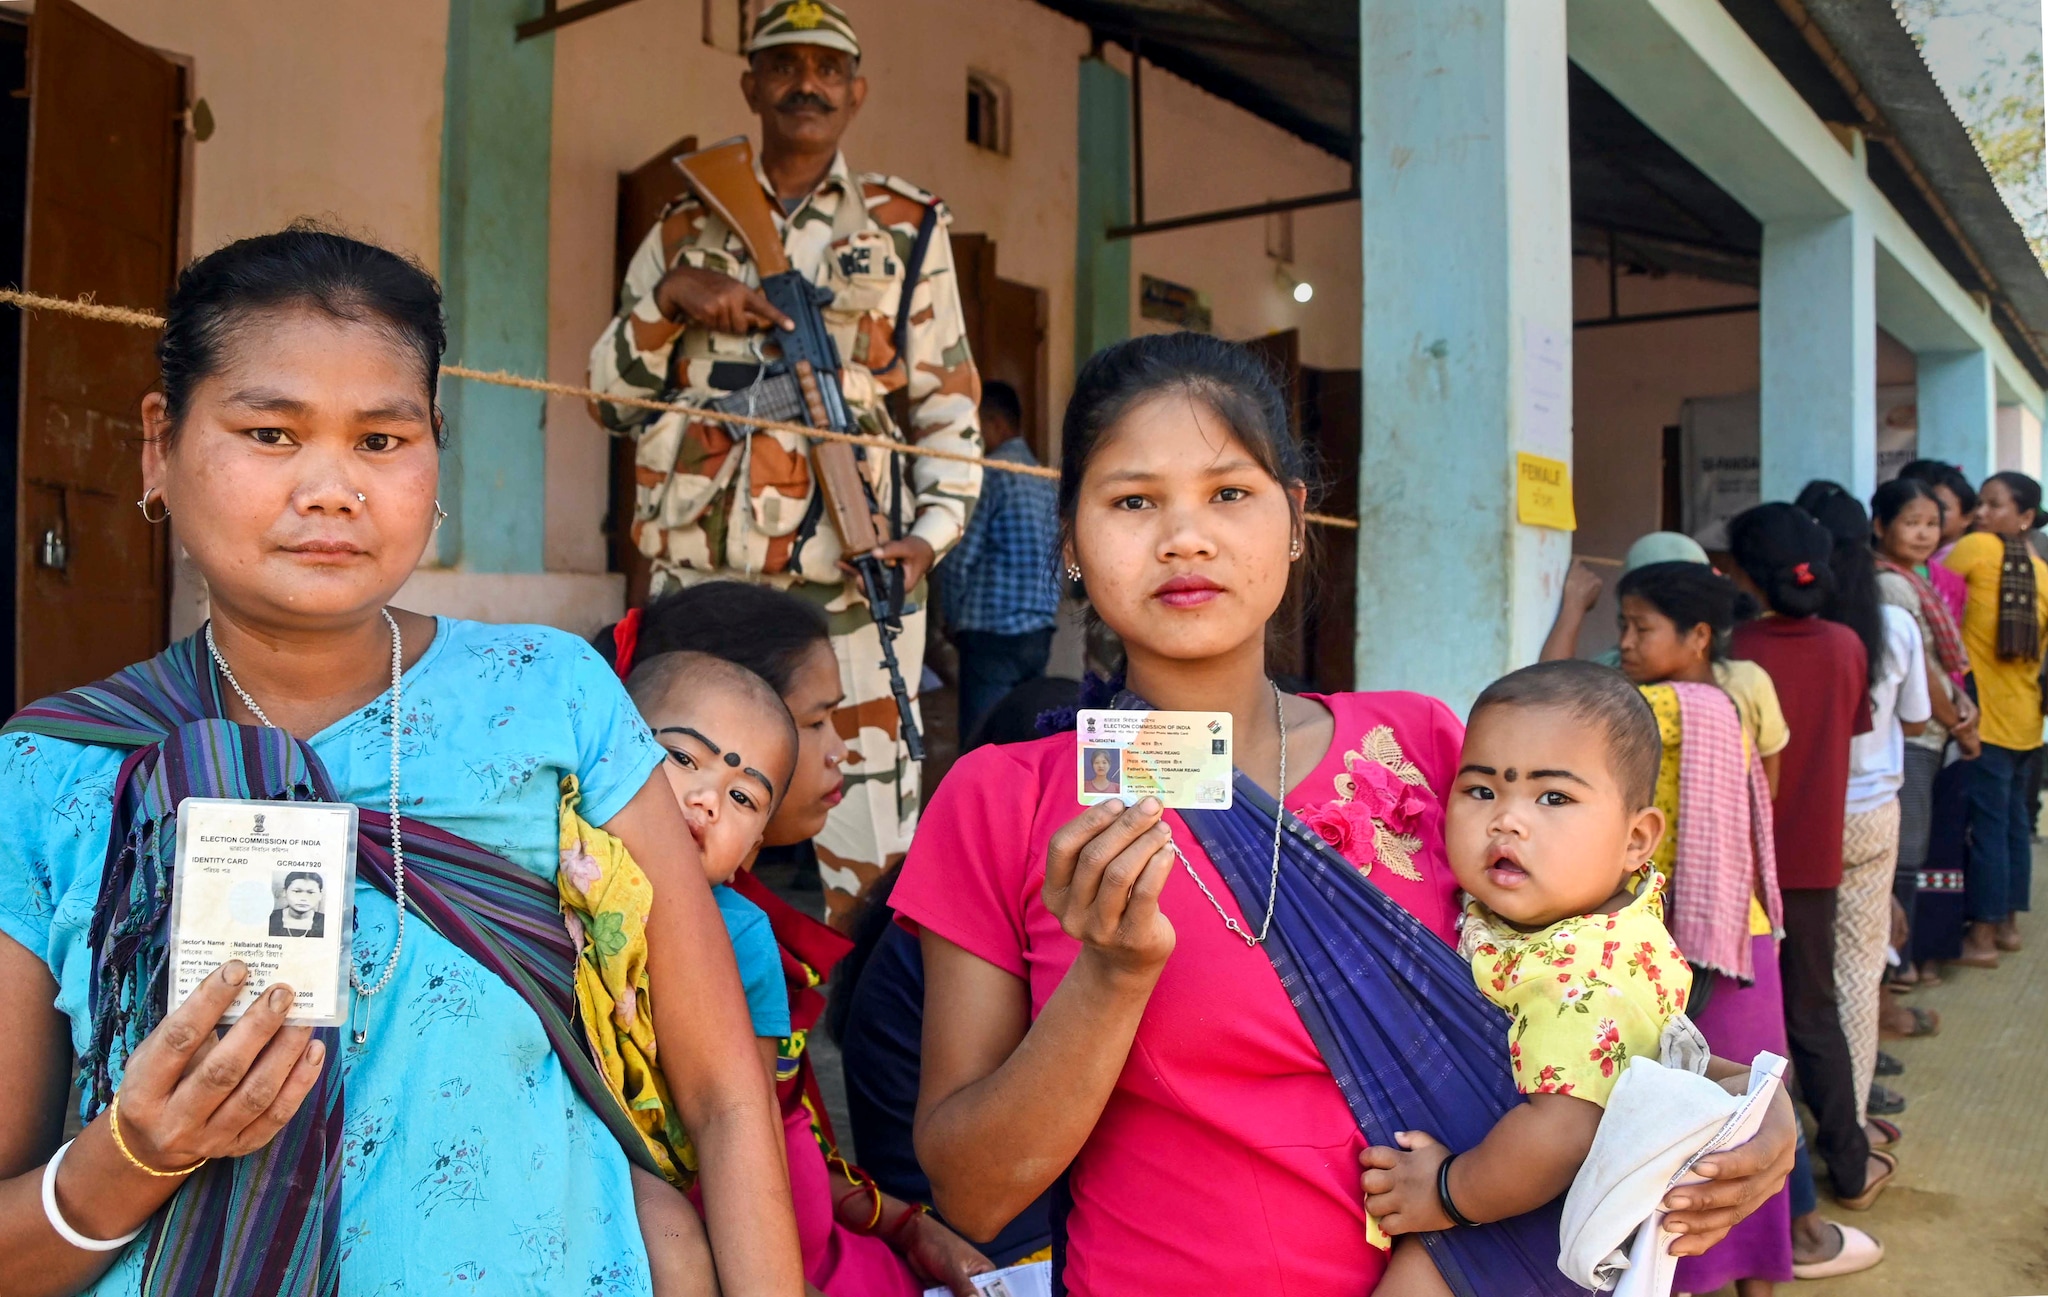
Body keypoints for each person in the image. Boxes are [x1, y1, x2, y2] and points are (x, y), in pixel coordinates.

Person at [896, 332, 1797, 1297]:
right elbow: (973, 1191)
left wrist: (1749, 1106)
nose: (1184, 537)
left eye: (1228, 493)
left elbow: (1594, 996)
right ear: (1072, 543)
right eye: (1132, 500)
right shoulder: (1007, 798)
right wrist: (1109, 982)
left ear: (1292, 519)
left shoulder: (1429, 750)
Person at [0, 227, 800, 1295]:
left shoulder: (548, 695)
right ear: (160, 443)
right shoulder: (55, 771)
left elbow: (725, 1095)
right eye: (271, 432)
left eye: (381, 441)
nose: (331, 489)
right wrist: (132, 1155)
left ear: (435, 452)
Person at [587, 0, 983, 927]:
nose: (806, 82)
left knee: (872, 832)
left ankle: (869, 1034)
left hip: (849, 583)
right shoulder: (687, 220)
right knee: (673, 816)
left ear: (856, 91)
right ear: (751, 85)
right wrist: (673, 299)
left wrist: (926, 540)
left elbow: (949, 409)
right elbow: (609, 395)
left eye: (827, 67)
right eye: (785, 64)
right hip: (703, 582)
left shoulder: (906, 226)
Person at [600, 586, 996, 1297]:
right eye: (817, 720)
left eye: (745, 792)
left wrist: (904, 1224)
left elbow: (779, 1134)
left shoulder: (748, 931)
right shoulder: (570, 889)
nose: (841, 750)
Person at [1363, 660, 1697, 1297]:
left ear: (1636, 839)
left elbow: (1561, 1132)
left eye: (1554, 798)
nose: (1507, 820)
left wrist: (1446, 1192)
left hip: (1525, 1220)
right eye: (1482, 790)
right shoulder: (1543, 914)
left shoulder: (1591, 971)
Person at [1726, 503, 1893, 1212]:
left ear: (1746, 575)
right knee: (1816, 1009)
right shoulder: (1848, 645)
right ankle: (1850, 1165)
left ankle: (1778, 1189)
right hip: (1817, 855)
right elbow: (1850, 731)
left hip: (1744, 863)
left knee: (1755, 1021)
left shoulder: (1733, 649)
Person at [1794, 483, 1929, 1138]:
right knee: (1855, 968)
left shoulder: (1786, 628)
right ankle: (1850, 1122)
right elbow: (1918, 717)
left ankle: (1793, 1116)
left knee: (1799, 973)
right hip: (1874, 810)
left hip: (1800, 816)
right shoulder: (1891, 623)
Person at [1870, 476, 1978, 997]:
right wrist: (1958, 719)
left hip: (1931, 729)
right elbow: (1922, 672)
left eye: (1931, 524)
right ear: (1880, 526)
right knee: (1907, 851)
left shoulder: (1917, 580)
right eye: (1910, 523)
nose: (1923, 533)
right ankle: (1898, 967)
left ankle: (1901, 964)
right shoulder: (1891, 586)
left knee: (1914, 848)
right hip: (1914, 732)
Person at [1943, 471, 2047, 965]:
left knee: (1987, 828)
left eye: (1994, 504)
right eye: (1980, 505)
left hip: (1984, 719)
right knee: (2012, 826)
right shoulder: (2042, 572)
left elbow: (1939, 600)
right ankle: (2006, 927)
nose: (1981, 514)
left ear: (2025, 517)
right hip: (2027, 719)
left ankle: (1980, 937)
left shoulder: (1976, 549)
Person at [937, 381, 1063, 742]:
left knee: (982, 741)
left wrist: (950, 615)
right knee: (1024, 734)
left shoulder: (989, 473)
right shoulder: (1044, 478)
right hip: (1038, 631)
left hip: (991, 632)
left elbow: (961, 556)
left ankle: (979, 801)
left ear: (993, 423)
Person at [267, 871, 326, 938]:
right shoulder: (270, 919)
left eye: (310, 892)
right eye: (297, 891)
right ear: (284, 892)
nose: (303, 898)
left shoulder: (326, 922)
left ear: (320, 895)